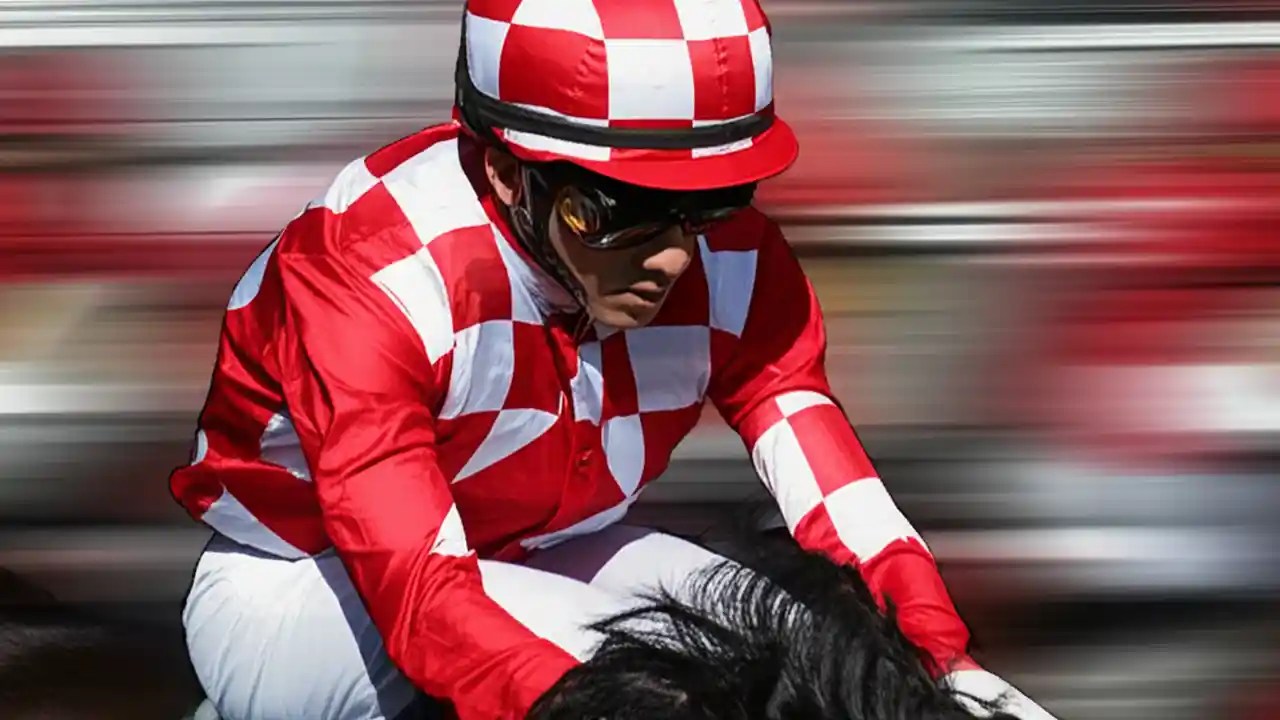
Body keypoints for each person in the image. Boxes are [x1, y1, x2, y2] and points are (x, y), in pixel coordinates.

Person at [170, 1, 1057, 718]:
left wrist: (945, 661)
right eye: (616, 209)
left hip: (557, 548)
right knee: (665, 692)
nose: (672, 255)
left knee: (846, 665)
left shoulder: (736, 263)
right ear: (509, 174)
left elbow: (841, 503)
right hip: (303, 586)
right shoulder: (371, 275)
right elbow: (419, 589)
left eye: (708, 203)